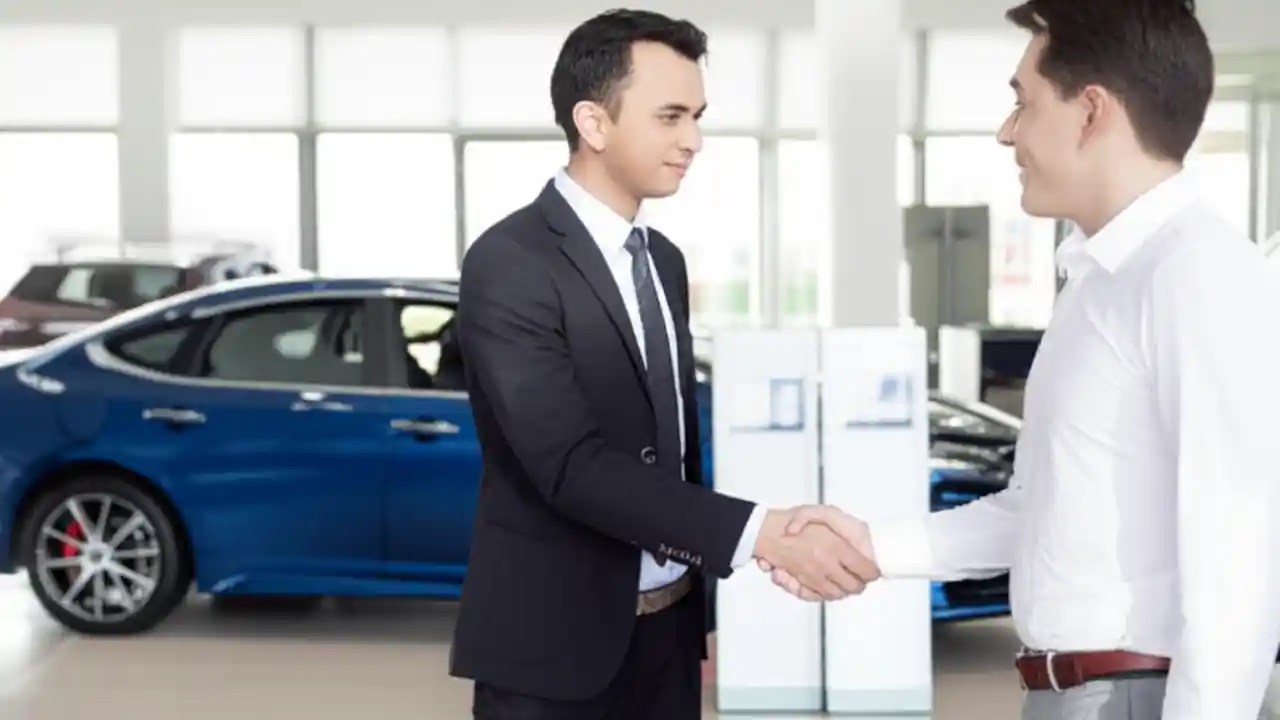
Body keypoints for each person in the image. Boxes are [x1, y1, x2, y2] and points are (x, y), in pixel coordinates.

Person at [769, 1, 1280, 718]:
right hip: (1074, 691)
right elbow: (1044, 508)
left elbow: (1239, 552)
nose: (1007, 131)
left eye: (1023, 101)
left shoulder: (1197, 272)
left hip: (1136, 697)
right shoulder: (1099, 279)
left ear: (1090, 112)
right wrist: (875, 547)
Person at [449, 9, 879, 719]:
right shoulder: (511, 262)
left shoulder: (663, 262)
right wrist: (760, 532)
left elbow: (669, 446)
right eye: (671, 117)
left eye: (697, 117)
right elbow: (569, 465)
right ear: (593, 122)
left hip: (669, 635)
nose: (694, 141)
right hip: (552, 645)